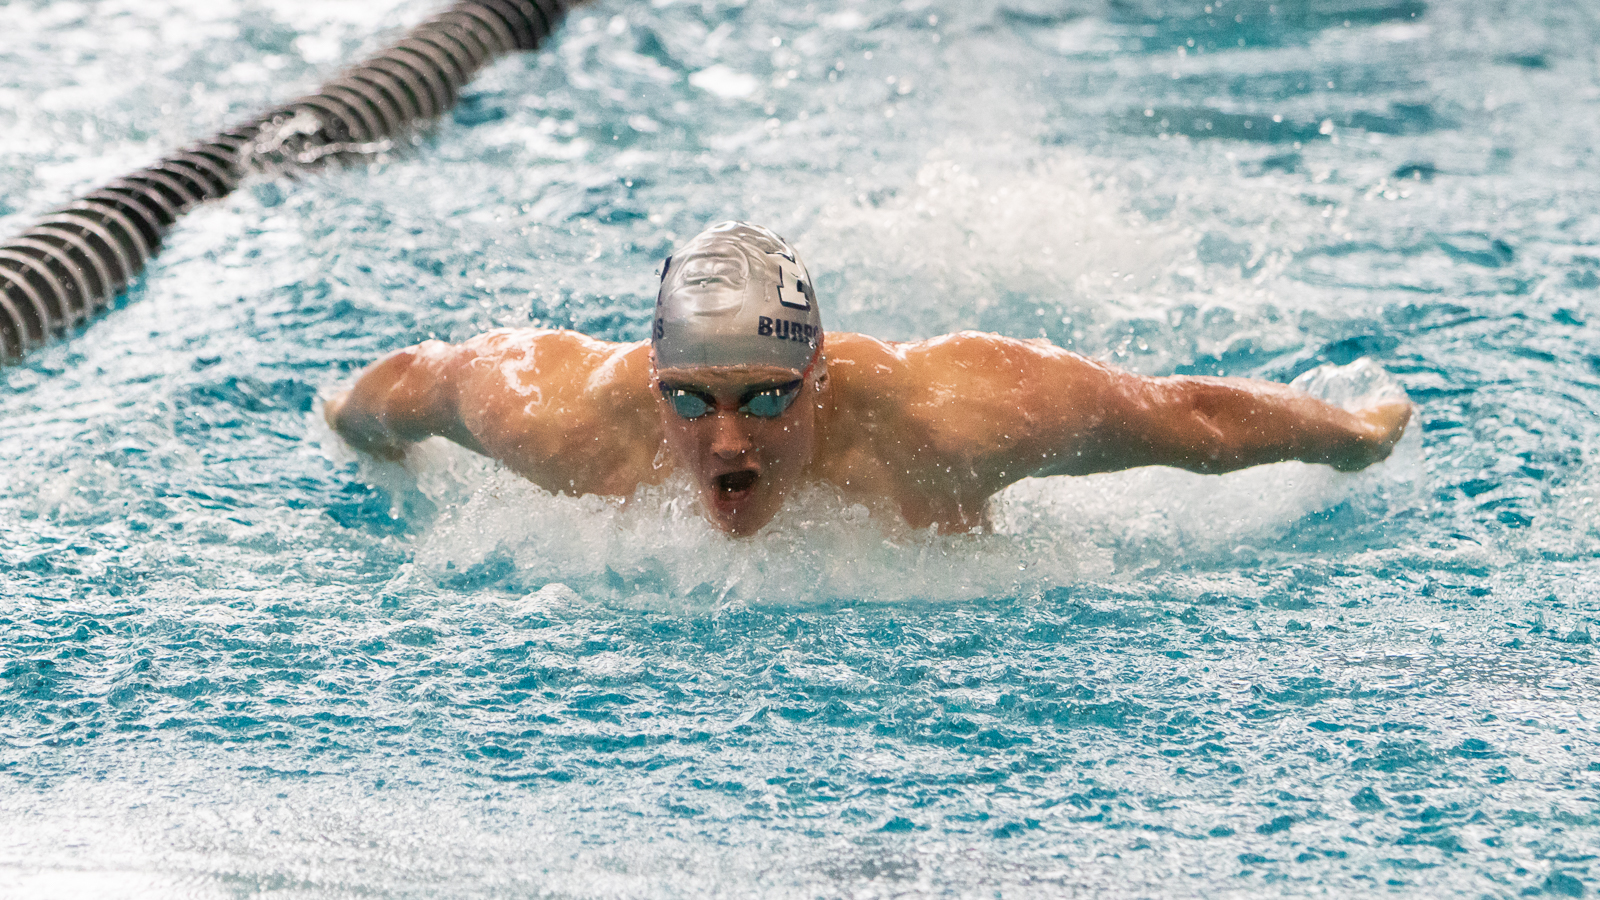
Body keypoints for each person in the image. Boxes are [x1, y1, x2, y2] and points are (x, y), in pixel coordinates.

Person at [324, 221, 1412, 536]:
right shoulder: (564, 419)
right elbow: (421, 383)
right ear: (651, 383)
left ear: (820, 377)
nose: (727, 441)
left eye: (765, 397)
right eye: (691, 401)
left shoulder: (960, 416)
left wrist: (1352, 435)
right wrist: (357, 435)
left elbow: (1193, 420)